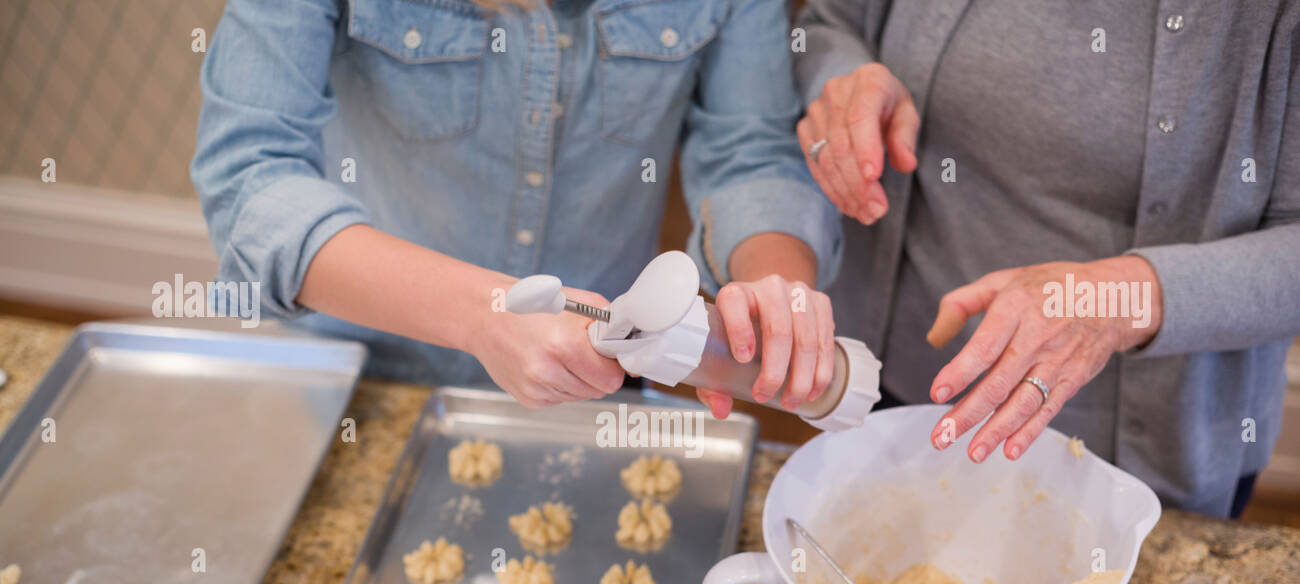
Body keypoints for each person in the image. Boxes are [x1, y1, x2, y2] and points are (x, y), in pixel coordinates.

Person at [190, 0, 842, 416]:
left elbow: (747, 150)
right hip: (358, 374)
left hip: (592, 376)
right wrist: (485, 315)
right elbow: (249, 177)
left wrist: (769, 283)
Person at [795, 0, 1300, 517]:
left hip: (1137, 461)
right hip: (896, 384)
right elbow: (824, 28)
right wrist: (843, 82)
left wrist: (1117, 301)